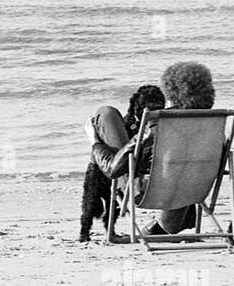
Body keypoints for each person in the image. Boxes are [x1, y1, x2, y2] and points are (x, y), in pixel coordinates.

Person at [85, 61, 216, 242]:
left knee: (106, 113)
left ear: (171, 92)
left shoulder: (157, 123)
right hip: (193, 190)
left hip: (147, 191)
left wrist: (94, 141)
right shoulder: (215, 126)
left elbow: (113, 169)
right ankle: (159, 227)